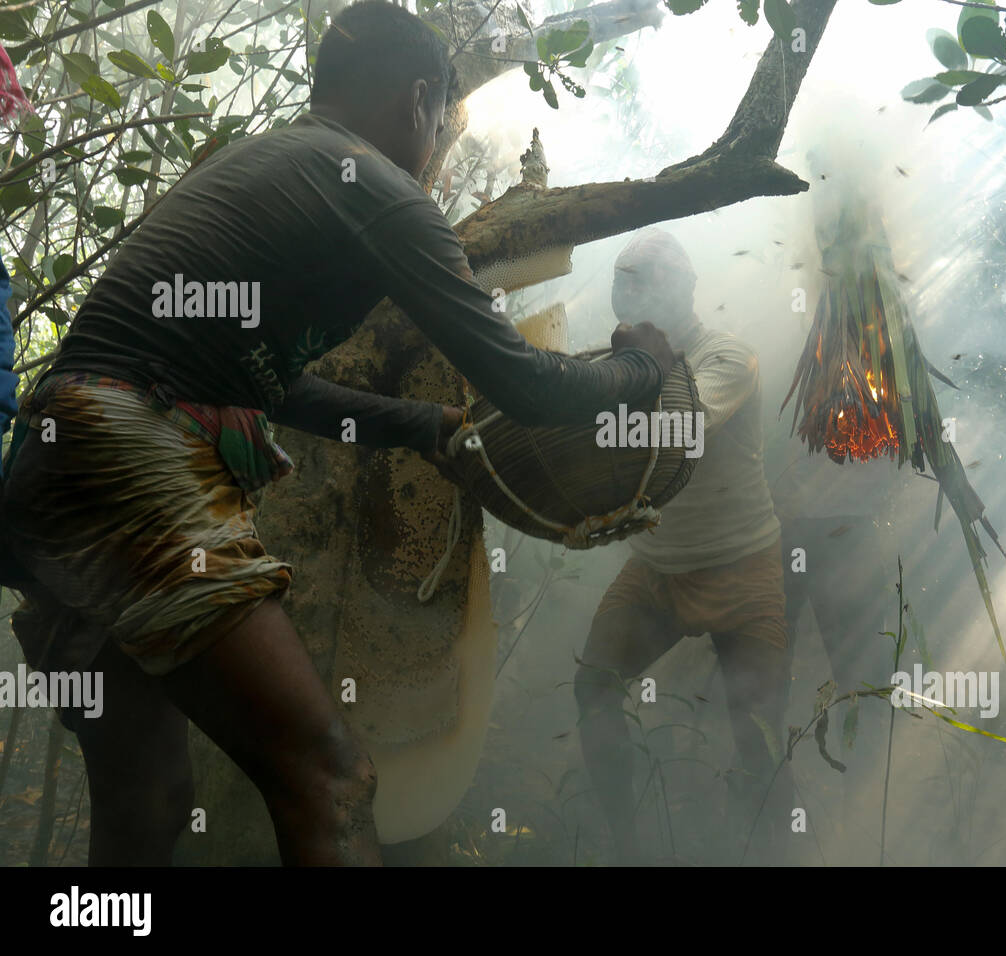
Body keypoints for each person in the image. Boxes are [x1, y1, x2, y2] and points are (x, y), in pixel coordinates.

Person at [0, 0, 674, 866]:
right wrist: (642, 372)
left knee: (149, 803)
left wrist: (424, 424)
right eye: (441, 120)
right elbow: (528, 385)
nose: (435, 142)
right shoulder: (376, 185)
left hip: (55, 473)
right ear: (419, 98)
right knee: (333, 779)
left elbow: (271, 386)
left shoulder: (277, 159)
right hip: (129, 450)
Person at [573, 228, 792, 864]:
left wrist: (631, 373)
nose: (631, 291)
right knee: (594, 688)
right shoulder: (614, 366)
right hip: (656, 571)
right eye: (624, 278)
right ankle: (627, 845)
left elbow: (682, 428)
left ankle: (769, 853)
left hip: (742, 569)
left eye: (648, 279)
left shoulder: (730, 358)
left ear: (690, 289)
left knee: (760, 738)